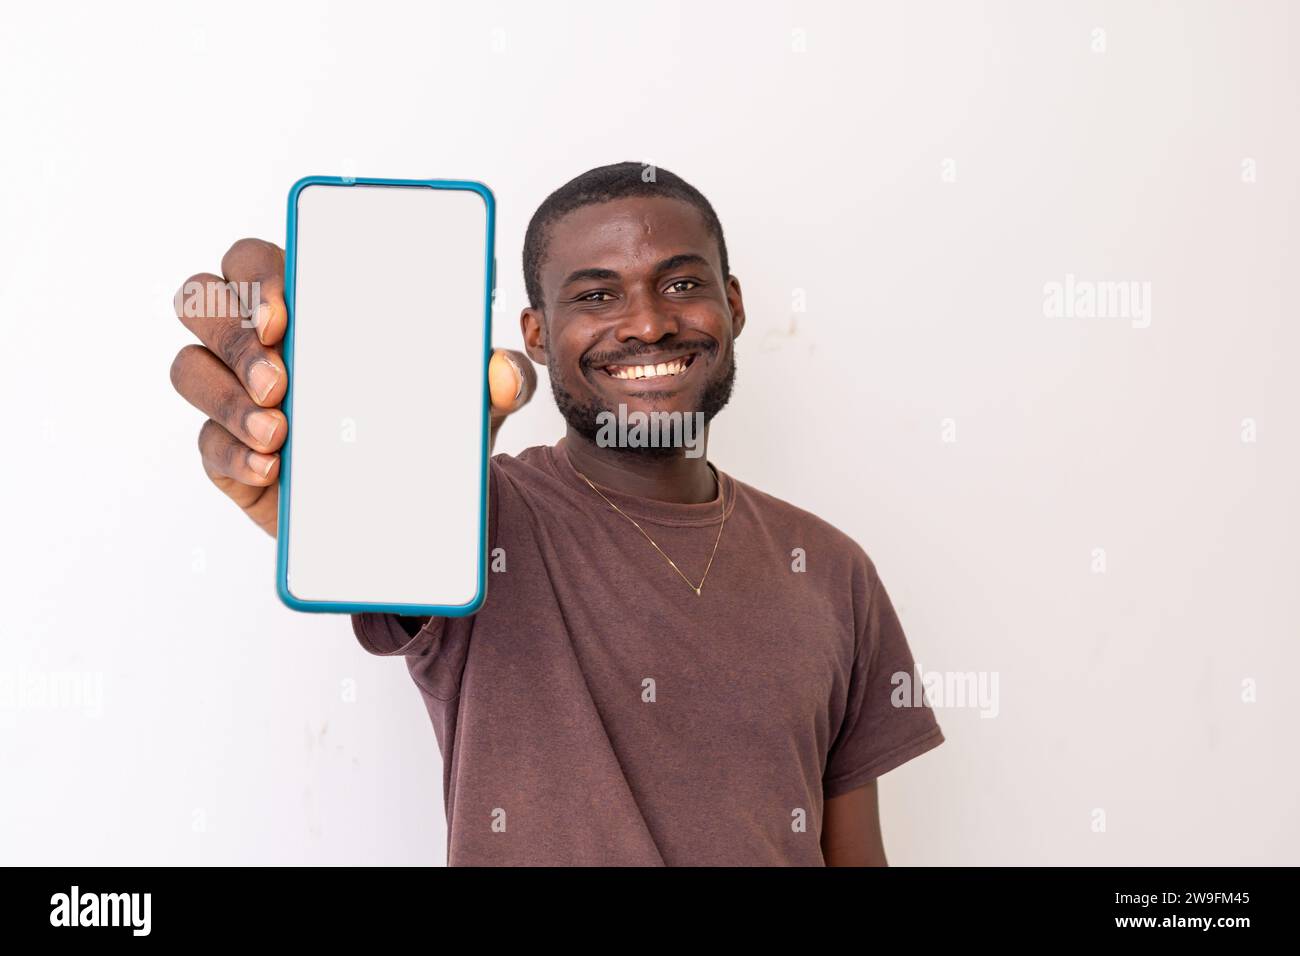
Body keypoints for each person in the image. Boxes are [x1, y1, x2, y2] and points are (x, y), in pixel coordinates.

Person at [169, 162, 944, 866]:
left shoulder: (832, 567)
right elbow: (388, 531)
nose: (647, 324)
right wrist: (328, 446)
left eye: (680, 284)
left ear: (732, 305)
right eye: (596, 295)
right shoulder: (476, 520)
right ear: (536, 335)